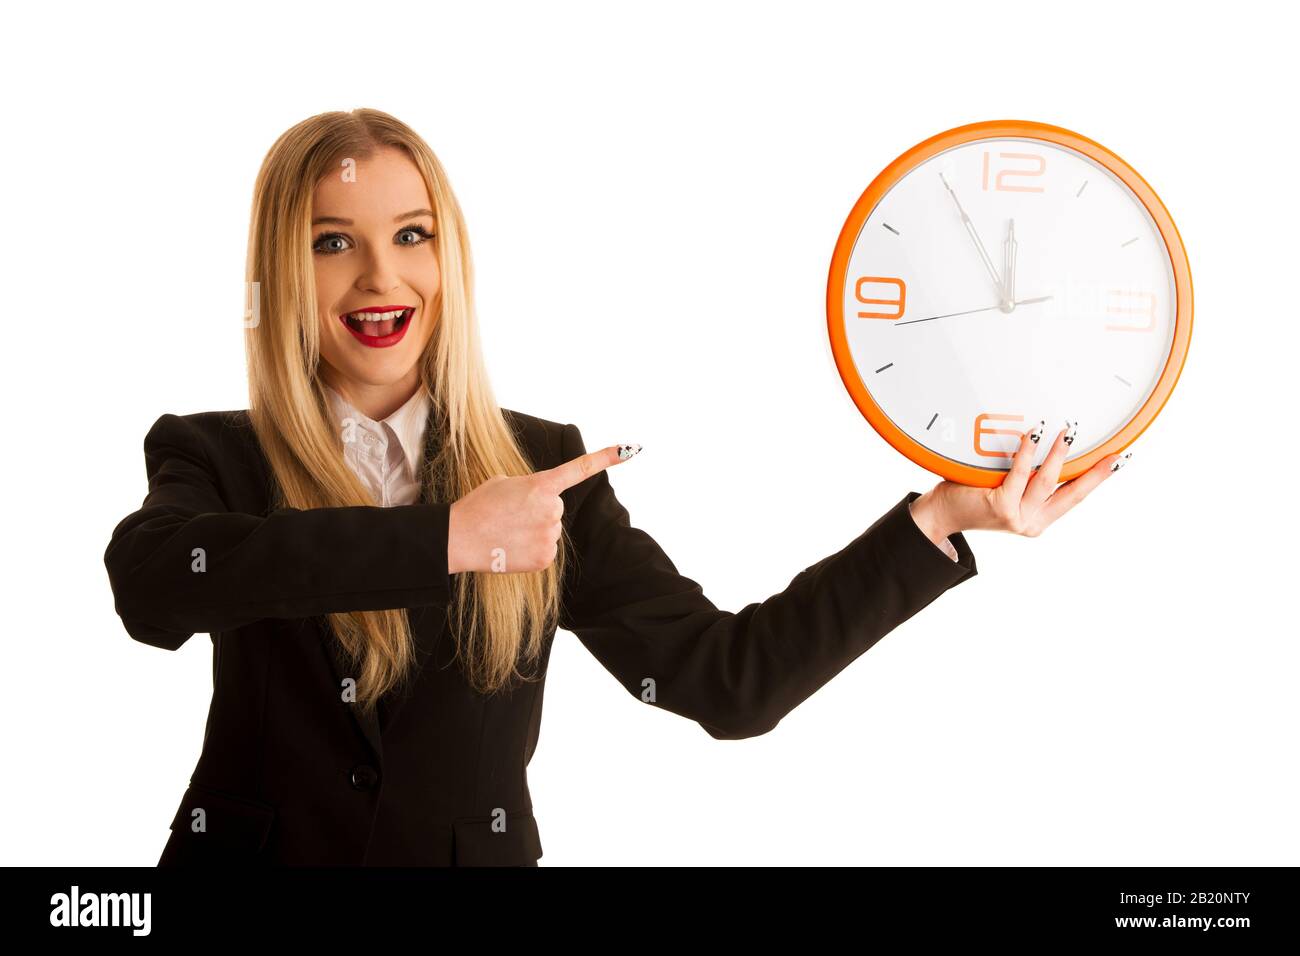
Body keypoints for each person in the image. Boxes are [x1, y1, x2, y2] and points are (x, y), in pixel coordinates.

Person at [103, 108, 1127, 867]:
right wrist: (445, 540)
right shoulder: (211, 452)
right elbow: (154, 589)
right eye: (334, 241)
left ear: (448, 258)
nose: (380, 275)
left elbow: (729, 683)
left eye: (411, 235)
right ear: (283, 267)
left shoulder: (547, 468)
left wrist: (938, 517)